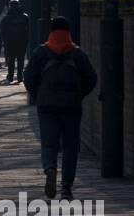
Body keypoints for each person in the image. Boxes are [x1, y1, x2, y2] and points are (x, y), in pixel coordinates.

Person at [23, 16, 98, 200]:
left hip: (47, 105)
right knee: (71, 146)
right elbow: (91, 78)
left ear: (51, 32)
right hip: (71, 105)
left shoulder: (41, 53)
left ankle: (50, 169)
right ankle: (66, 187)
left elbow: (29, 77)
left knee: (49, 143)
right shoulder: (77, 54)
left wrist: (37, 95)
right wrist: (78, 94)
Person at [0, 0, 30, 84]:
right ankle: (20, 76)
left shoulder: (6, 18)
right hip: (22, 41)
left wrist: (5, 40)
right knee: (20, 60)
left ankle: (10, 76)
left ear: (10, 7)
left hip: (10, 42)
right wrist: (26, 39)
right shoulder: (24, 17)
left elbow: (3, 31)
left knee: (11, 60)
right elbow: (29, 30)